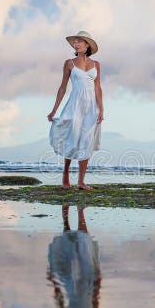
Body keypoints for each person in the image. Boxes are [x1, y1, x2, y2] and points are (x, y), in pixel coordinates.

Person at [47, 30, 104, 190]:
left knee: (86, 141)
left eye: (80, 41)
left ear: (87, 45)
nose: (76, 44)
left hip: (91, 106)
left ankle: (81, 181)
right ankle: (65, 173)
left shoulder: (96, 65)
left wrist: (101, 109)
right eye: (75, 42)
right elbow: (63, 87)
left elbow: (98, 88)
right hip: (75, 104)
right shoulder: (69, 63)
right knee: (71, 137)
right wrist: (54, 111)